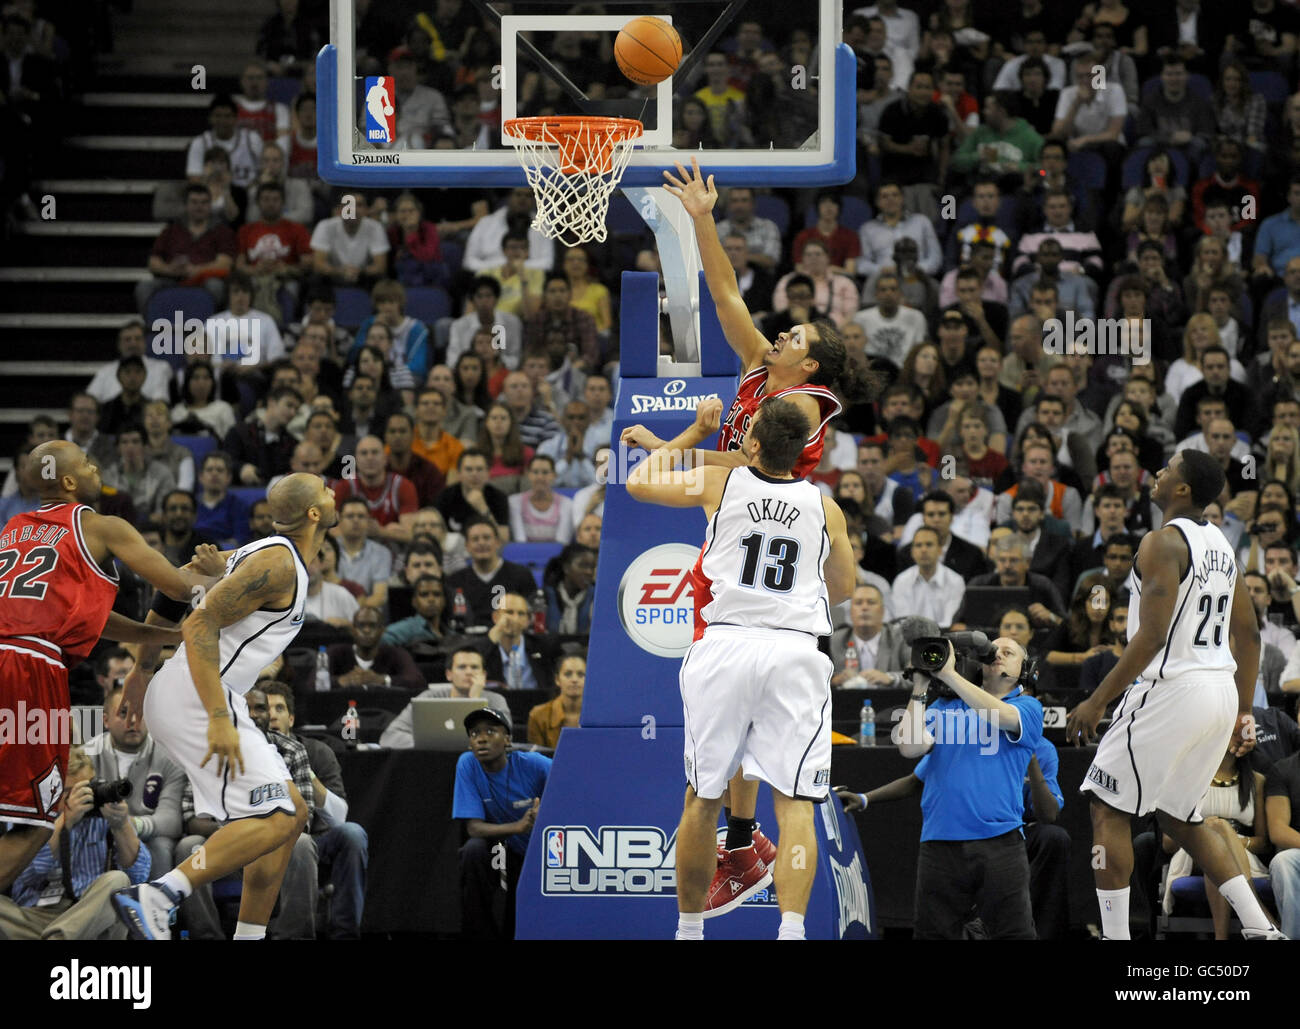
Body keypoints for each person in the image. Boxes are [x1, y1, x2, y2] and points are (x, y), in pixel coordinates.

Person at [628, 398, 856, 938]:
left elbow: (638, 482)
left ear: (752, 444)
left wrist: (691, 432)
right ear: (800, 453)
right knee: (797, 802)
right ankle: (793, 932)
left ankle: (688, 931)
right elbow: (844, 589)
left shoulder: (721, 486)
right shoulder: (826, 508)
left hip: (726, 647)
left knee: (703, 797)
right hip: (794, 651)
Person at [1065, 450, 1283, 940]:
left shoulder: (1162, 542)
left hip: (1171, 689)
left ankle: (1117, 938)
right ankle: (1260, 929)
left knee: (1105, 805)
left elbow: (1152, 636)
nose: (1158, 472)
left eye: (1168, 468)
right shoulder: (1223, 546)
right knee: (1181, 816)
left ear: (1182, 489)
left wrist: (1097, 700)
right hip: (1218, 691)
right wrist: (1243, 709)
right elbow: (1248, 635)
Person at [109, 472, 337, 940]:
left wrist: (141, 670)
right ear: (314, 514)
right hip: (198, 695)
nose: (336, 492)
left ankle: (247, 937)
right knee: (276, 816)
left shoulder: (255, 553)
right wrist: (217, 716)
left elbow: (177, 586)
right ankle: (159, 894)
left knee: (290, 814)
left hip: (190, 691)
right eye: (327, 490)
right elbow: (198, 626)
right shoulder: (278, 564)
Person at [0, 440, 214, 893]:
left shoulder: (15, 527)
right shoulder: (101, 526)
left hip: (15, 652)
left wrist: (166, 637)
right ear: (71, 482)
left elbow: (79, 619)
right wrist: (233, 572)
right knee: (38, 820)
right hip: (30, 669)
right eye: (87, 463)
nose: (98, 467)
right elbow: (178, 586)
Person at [0, 745, 151, 940]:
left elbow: (139, 877)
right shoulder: (34, 814)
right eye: (70, 791)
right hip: (34, 917)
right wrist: (64, 823)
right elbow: (25, 876)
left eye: (87, 788)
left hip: (90, 915)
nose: (82, 797)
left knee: (118, 881)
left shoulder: (106, 811)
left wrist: (121, 825)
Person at [452, 706, 549, 939]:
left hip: (539, 850)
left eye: (490, 732)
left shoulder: (533, 763)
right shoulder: (467, 764)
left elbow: (572, 783)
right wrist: (518, 826)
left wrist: (547, 810)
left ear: (507, 740)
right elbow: (473, 828)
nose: (482, 739)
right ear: (469, 744)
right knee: (473, 850)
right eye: (475, 734)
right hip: (501, 849)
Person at [829, 583, 909, 687]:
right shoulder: (835, 639)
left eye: (871, 602)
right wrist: (835, 681)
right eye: (858, 603)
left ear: (883, 611)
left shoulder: (900, 637)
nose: (864, 608)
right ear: (850, 612)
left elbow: (917, 677)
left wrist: (890, 678)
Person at [327, 606, 424, 692]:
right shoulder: (335, 652)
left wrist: (382, 680)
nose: (366, 630)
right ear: (352, 630)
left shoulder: (396, 653)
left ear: (382, 631)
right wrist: (341, 681)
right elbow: (313, 684)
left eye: (372, 625)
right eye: (361, 625)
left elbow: (418, 681)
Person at [527, 652, 586, 748]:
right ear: (557, 679)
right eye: (568, 674)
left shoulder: (600, 716)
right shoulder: (538, 715)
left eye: (581, 674)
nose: (574, 679)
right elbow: (536, 760)